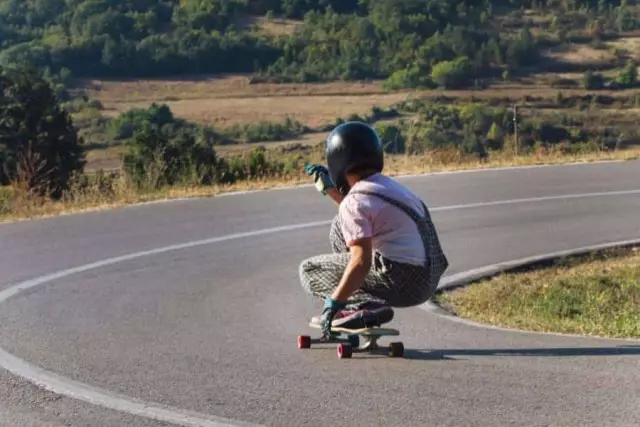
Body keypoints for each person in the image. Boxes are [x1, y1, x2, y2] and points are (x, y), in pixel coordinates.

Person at [300, 121, 449, 337]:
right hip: (428, 278)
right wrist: (331, 191)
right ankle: (356, 305)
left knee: (309, 270)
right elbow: (355, 216)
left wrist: (333, 303)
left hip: (401, 280)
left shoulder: (356, 200)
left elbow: (361, 261)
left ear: (337, 160)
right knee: (339, 227)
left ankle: (361, 305)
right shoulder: (389, 187)